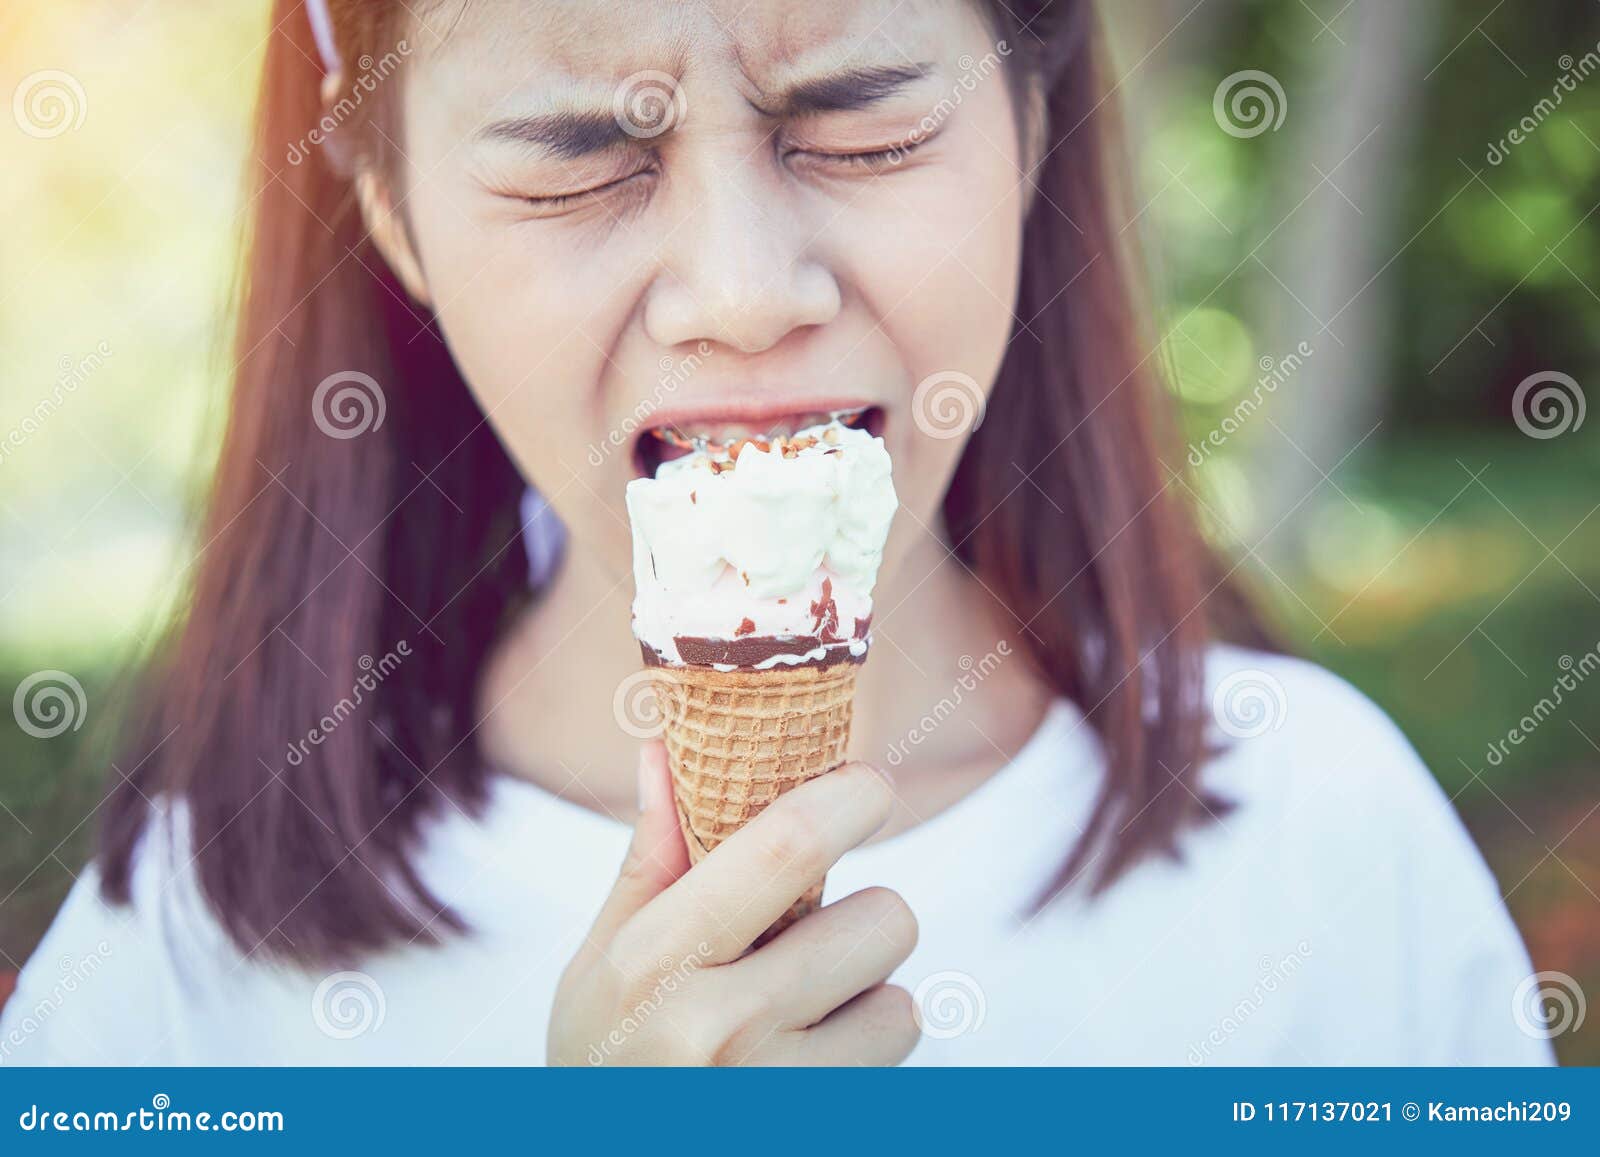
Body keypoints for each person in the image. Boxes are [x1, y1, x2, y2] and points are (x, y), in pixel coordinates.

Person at [2, 0, 1550, 1066]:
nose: (743, 293)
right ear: (394, 211)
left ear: (1030, 119)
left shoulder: (1328, 848)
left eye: (861, 129)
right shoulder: (179, 968)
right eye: (574, 152)